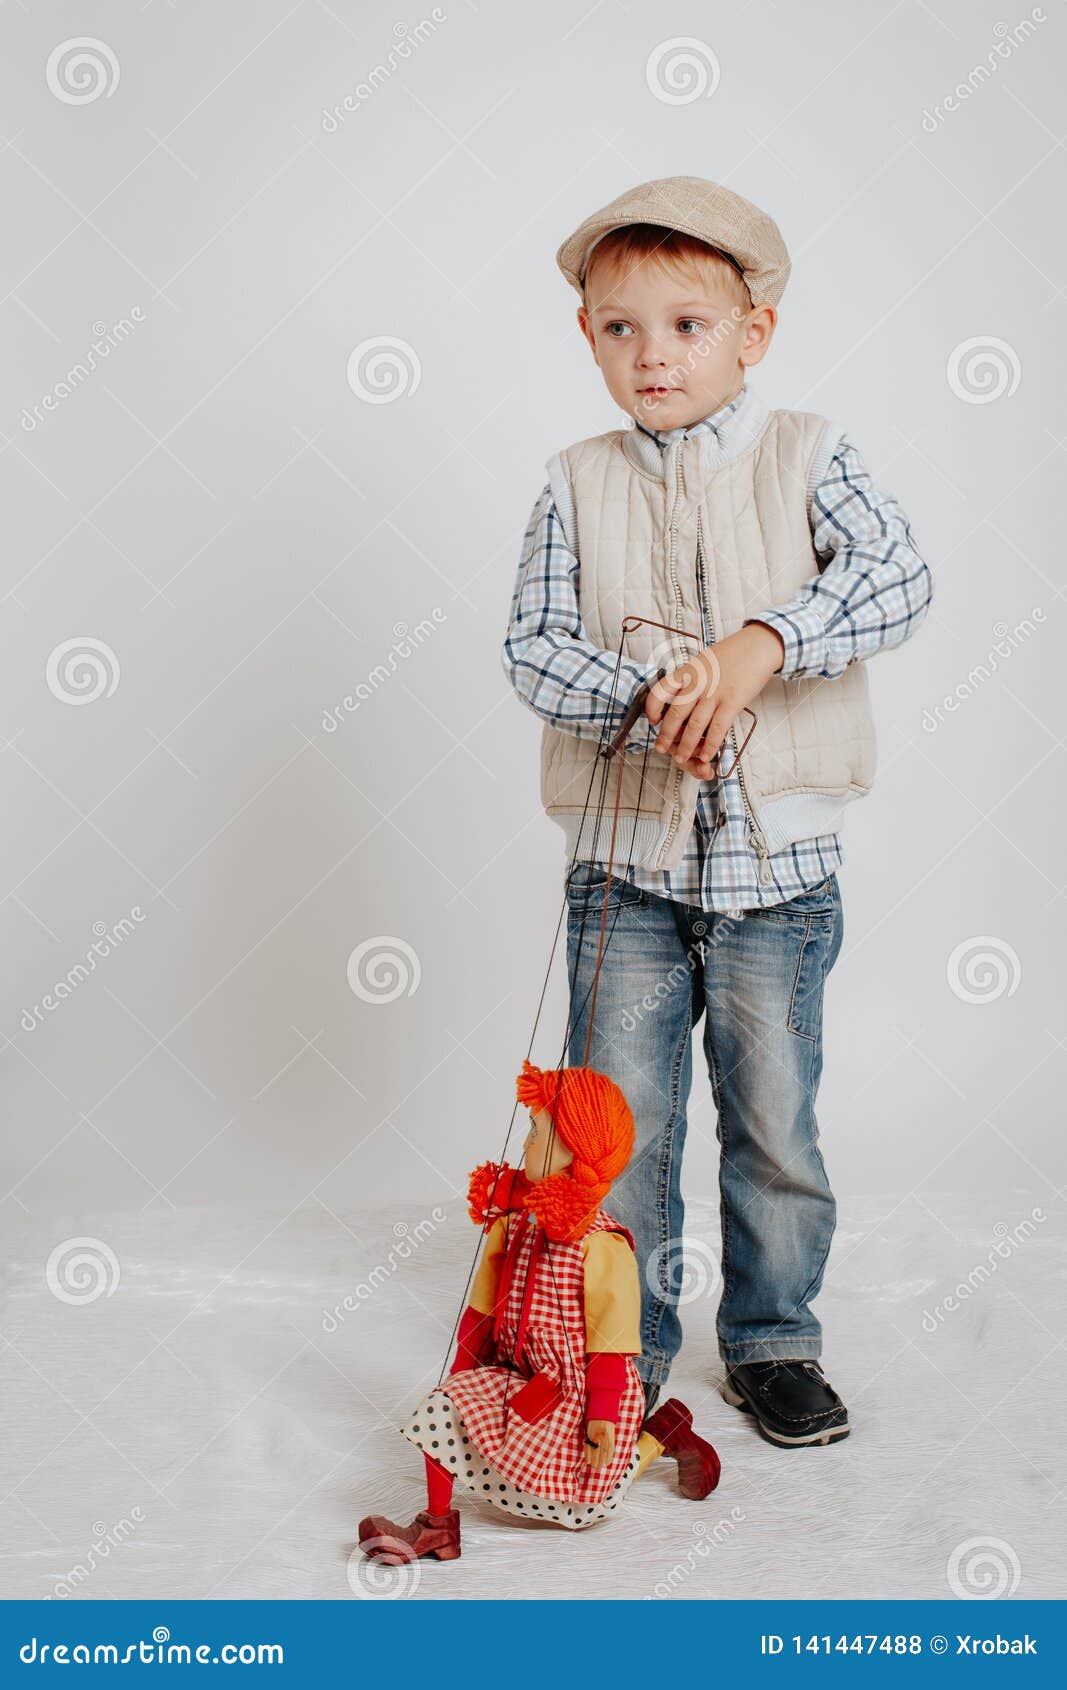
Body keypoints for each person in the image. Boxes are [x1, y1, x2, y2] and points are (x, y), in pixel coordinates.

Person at [502, 176, 934, 1448]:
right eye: (620, 328)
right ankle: (619, 1349)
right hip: (621, 880)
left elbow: (899, 577)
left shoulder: (808, 454)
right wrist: (649, 693)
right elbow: (531, 646)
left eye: (686, 325)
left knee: (772, 1124)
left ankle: (773, 1339)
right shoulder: (572, 483)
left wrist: (761, 643)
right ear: (586, 335)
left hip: (778, 881)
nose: (652, 355)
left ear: (754, 331)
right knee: (615, 1134)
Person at [357, 1061, 720, 1564]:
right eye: (528, 1129)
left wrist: (601, 1417)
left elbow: (610, 1344)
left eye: (538, 1131)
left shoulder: (602, 1245)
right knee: (442, 1410)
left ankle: (663, 1434)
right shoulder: (516, 1224)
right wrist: (460, 1381)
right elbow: (482, 1311)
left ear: (575, 1148)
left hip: (576, 1391)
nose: (525, 1143)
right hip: (520, 1376)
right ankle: (437, 1527)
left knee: (586, 1502)